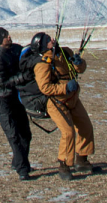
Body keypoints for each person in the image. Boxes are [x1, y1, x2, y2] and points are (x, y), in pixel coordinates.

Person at [32, 32, 100, 180]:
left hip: (73, 99)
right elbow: (45, 88)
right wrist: (65, 88)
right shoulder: (42, 64)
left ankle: (81, 160)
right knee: (68, 132)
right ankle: (64, 165)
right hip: (56, 102)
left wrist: (78, 63)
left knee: (85, 126)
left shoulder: (65, 52)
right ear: (43, 45)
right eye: (48, 39)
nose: (52, 39)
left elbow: (79, 70)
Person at [0, 26, 33, 180]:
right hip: (3, 100)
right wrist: (23, 77)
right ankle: (22, 169)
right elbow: (3, 83)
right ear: (0, 40)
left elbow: (27, 53)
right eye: (6, 36)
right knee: (13, 134)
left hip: (16, 96)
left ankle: (18, 162)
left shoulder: (15, 49)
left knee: (25, 134)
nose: (9, 37)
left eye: (8, 34)